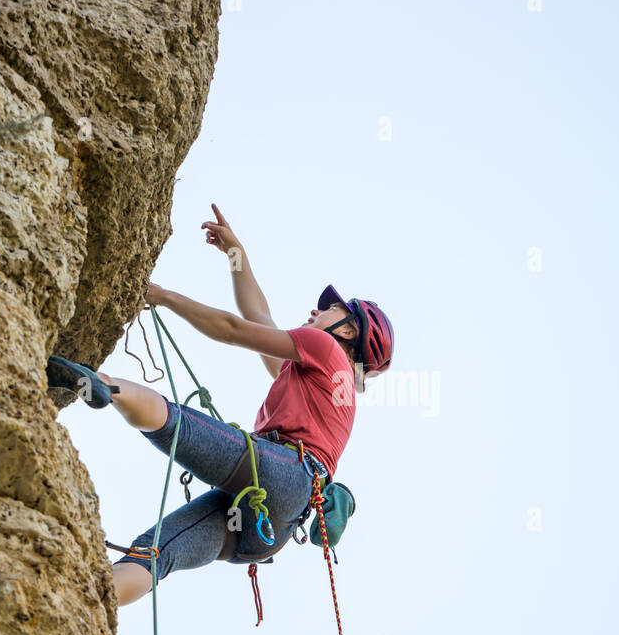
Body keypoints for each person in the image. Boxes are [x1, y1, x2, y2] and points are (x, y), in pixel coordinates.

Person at [46, 205, 394, 606]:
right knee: (158, 552)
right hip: (270, 529)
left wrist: (162, 296)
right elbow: (258, 313)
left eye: (330, 310)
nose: (315, 311)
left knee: (176, 419)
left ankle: (102, 385)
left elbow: (233, 329)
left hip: (281, 472)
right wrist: (235, 254)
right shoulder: (334, 387)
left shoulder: (322, 346)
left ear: (347, 329)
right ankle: (84, 605)